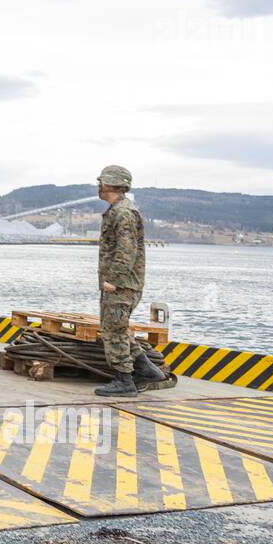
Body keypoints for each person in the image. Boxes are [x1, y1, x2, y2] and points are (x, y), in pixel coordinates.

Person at [93, 165, 168, 397]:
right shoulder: (119, 210)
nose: (98, 186)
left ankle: (124, 380)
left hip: (122, 285)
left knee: (114, 330)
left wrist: (114, 280)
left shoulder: (123, 212)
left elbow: (127, 250)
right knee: (115, 327)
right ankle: (146, 369)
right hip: (123, 283)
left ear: (110, 184)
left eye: (101, 182)